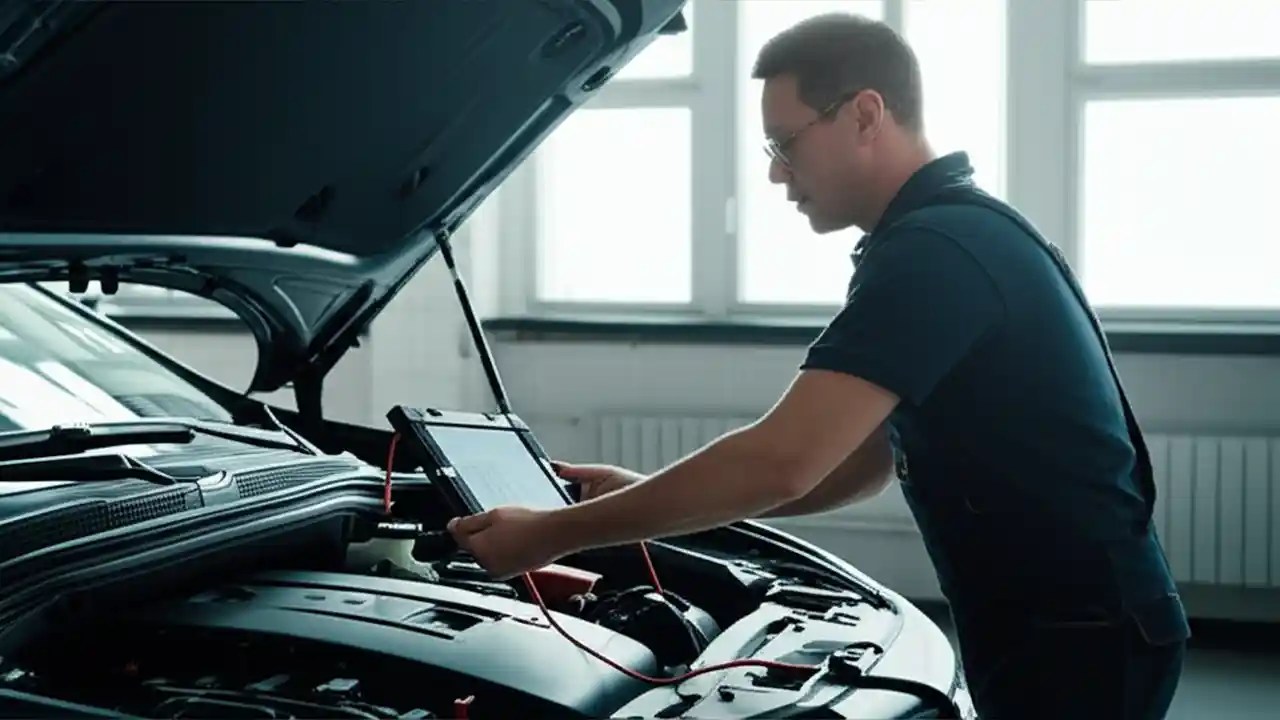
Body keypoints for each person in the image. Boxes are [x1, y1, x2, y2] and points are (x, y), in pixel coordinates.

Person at [447, 12, 1188, 719]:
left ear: (865, 115)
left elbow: (783, 461)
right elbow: (852, 466)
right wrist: (650, 503)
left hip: (1078, 636)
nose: (776, 175)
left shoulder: (936, 253)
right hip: (1072, 625)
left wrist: (554, 534)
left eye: (784, 144)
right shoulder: (949, 235)